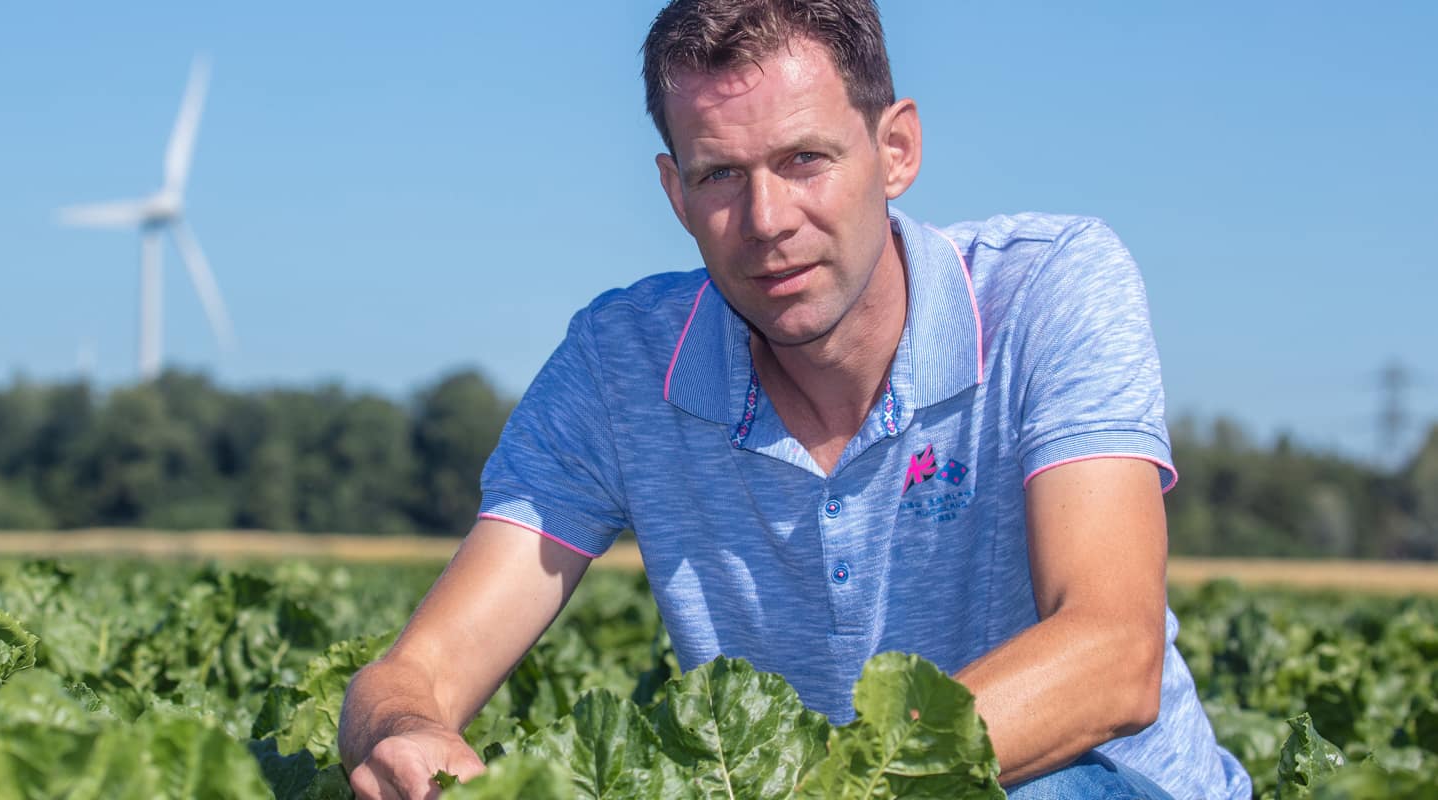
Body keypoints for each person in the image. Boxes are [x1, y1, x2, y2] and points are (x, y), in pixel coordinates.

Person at [333, 1, 1251, 797]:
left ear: (896, 150)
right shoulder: (620, 364)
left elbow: (1111, 655)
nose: (767, 221)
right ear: (674, 193)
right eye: (720, 176)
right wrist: (403, 729)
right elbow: (417, 671)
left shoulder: (1050, 289)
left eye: (804, 159)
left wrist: (820, 789)